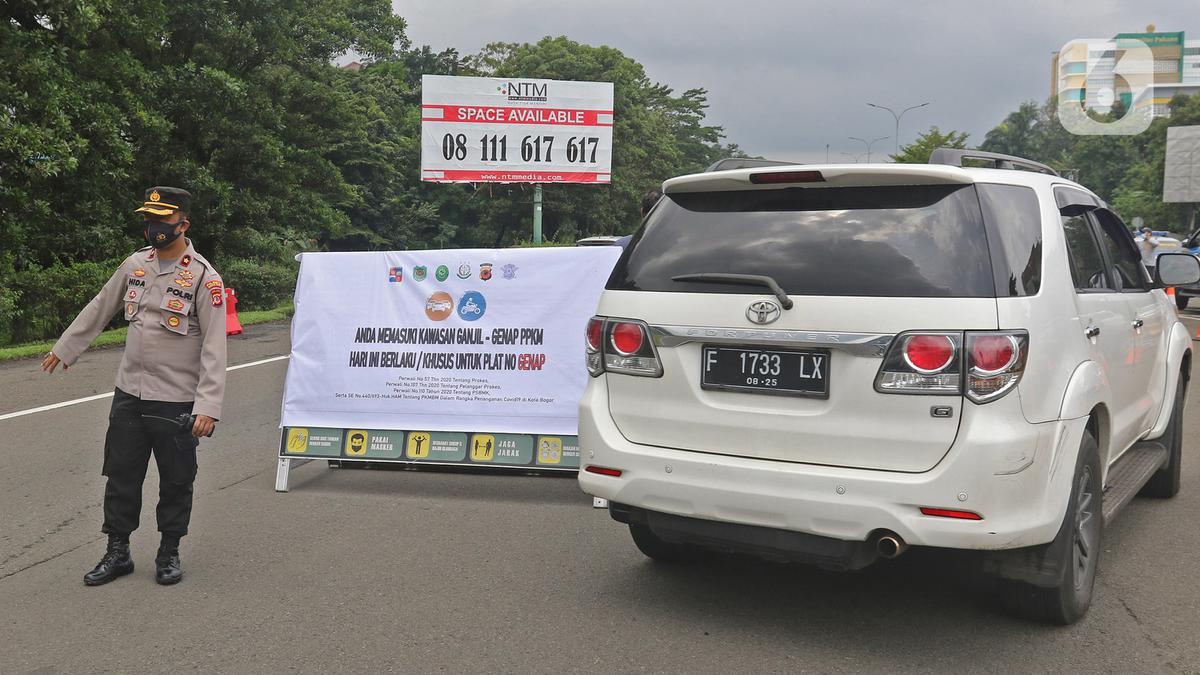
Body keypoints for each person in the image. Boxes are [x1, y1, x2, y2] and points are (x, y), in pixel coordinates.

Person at [42, 186, 226, 586]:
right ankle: (118, 551)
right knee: (121, 476)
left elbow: (214, 345)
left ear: (183, 225)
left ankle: (168, 552)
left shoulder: (203, 278)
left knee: (177, 480)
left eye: (162, 221)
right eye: (150, 220)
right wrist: (66, 348)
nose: (154, 228)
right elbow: (100, 305)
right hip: (130, 393)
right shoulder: (135, 265)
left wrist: (207, 406)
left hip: (175, 400)